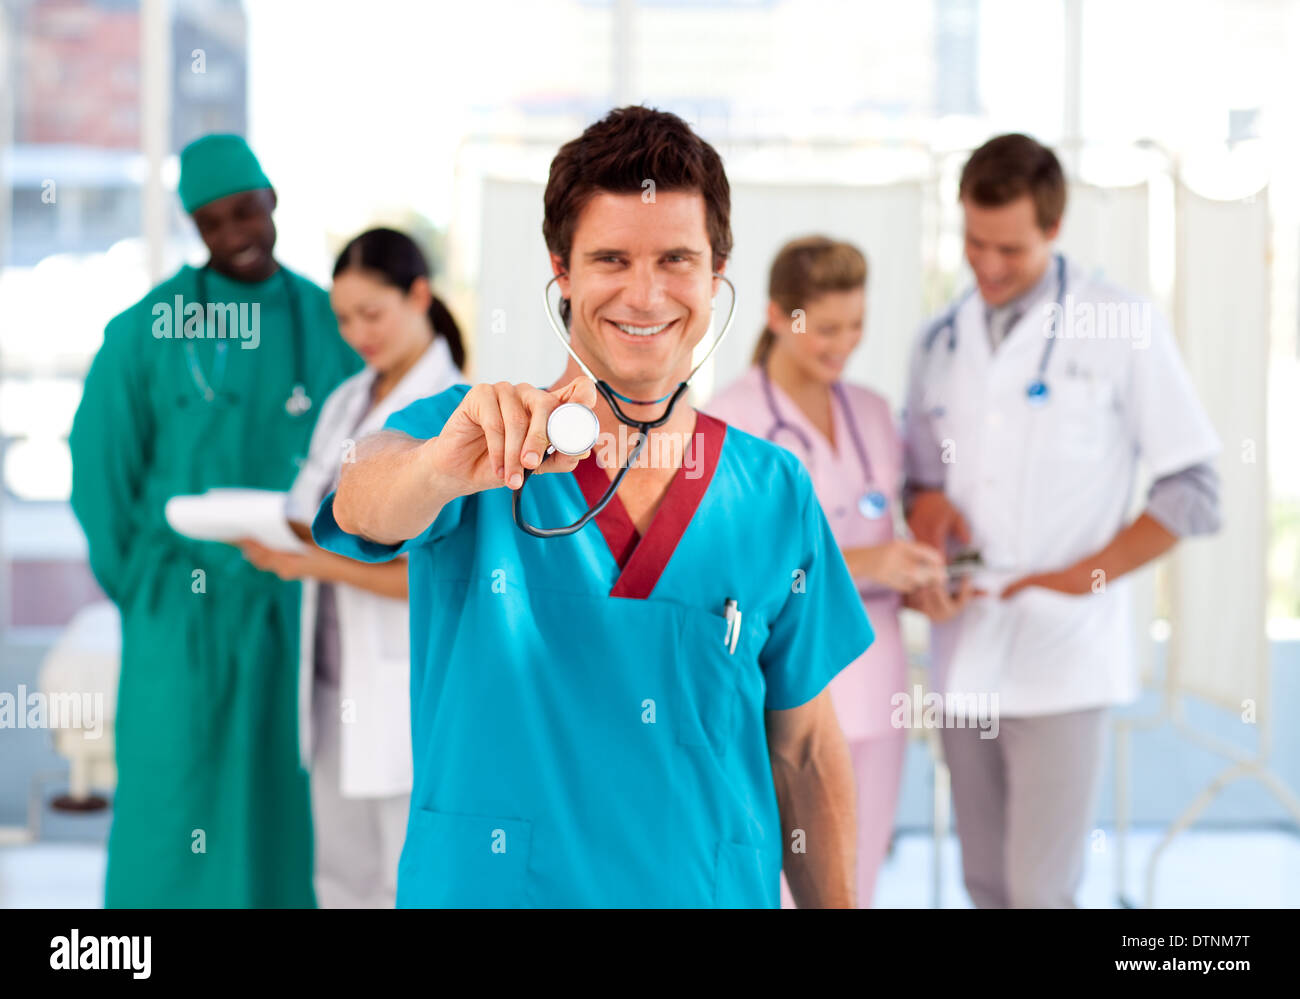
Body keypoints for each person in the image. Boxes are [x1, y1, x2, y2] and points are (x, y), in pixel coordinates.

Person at [312, 106, 874, 908]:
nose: (644, 295)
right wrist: (442, 466)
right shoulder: (476, 437)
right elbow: (363, 495)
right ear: (562, 272)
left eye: (676, 259)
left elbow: (805, 747)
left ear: (716, 276)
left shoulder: (773, 491)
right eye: (610, 257)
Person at [903, 133, 1222, 908]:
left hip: (1062, 652)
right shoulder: (939, 340)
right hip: (965, 644)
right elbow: (919, 483)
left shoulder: (1121, 325)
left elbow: (1195, 488)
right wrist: (927, 511)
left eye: (1008, 247)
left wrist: (1089, 575)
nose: (986, 265)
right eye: (974, 242)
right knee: (983, 883)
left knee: (1038, 890)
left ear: (1053, 227)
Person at [68, 133, 362, 907]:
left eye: (246, 211)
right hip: (179, 612)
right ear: (193, 227)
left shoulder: (330, 324)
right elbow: (101, 473)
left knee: (284, 799)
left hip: (294, 600)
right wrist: (142, 588)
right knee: (172, 793)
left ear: (272, 202)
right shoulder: (143, 332)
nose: (235, 235)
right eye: (211, 222)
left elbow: (369, 456)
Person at [706, 236, 947, 908]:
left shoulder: (870, 410)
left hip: (879, 683)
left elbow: (885, 526)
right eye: (827, 328)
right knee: (781, 884)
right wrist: (872, 562)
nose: (843, 345)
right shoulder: (731, 419)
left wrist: (920, 576)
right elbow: (726, 575)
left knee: (855, 881)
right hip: (788, 692)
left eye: (856, 327)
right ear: (780, 315)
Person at [239, 228, 465, 908]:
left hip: (403, 693)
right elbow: (317, 511)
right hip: (332, 683)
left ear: (419, 295)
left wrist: (309, 562)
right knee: (337, 880)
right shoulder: (347, 399)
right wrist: (258, 524)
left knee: (408, 882)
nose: (357, 332)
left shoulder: (451, 413)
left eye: (373, 313)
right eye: (344, 318)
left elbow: (420, 574)